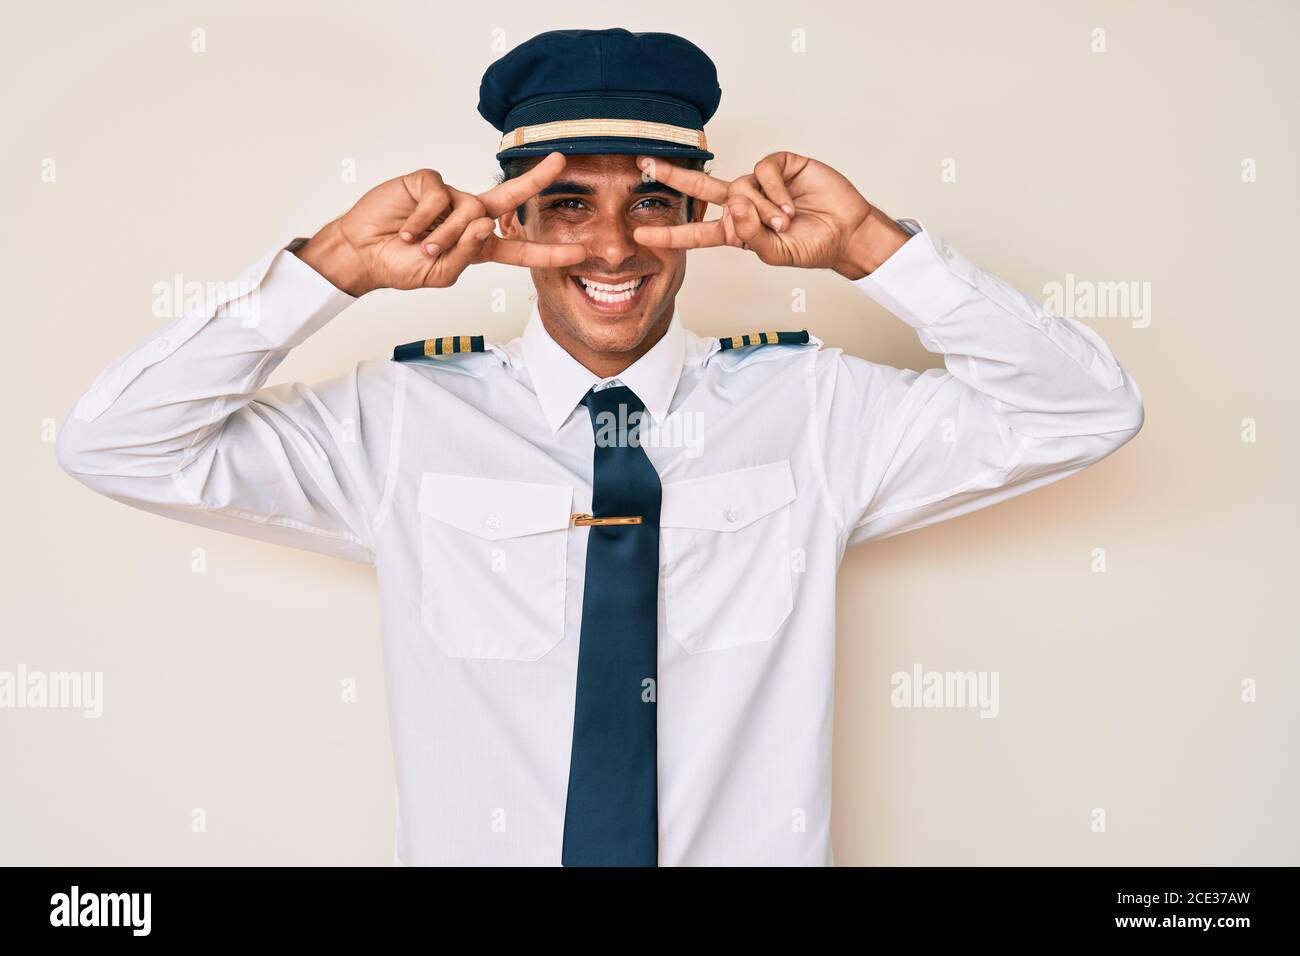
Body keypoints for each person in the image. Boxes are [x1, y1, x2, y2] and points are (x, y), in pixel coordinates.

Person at [56, 28, 1144, 866]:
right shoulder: (398, 422)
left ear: (699, 211)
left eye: (652, 202)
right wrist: (328, 268)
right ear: (511, 223)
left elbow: (1084, 411)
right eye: (567, 202)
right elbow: (117, 443)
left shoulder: (814, 410)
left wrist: (873, 249)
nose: (614, 245)